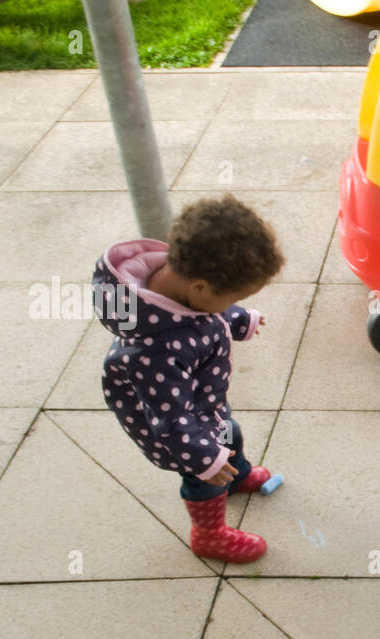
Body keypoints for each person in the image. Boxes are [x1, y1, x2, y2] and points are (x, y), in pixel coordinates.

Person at [93, 194, 285, 563]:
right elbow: (169, 419)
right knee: (203, 475)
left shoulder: (180, 287)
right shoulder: (155, 352)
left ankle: (236, 473)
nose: (233, 303)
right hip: (177, 427)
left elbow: (201, 316)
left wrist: (236, 319)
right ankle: (209, 534)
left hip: (201, 399)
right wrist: (203, 459)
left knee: (231, 433)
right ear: (199, 288)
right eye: (235, 297)